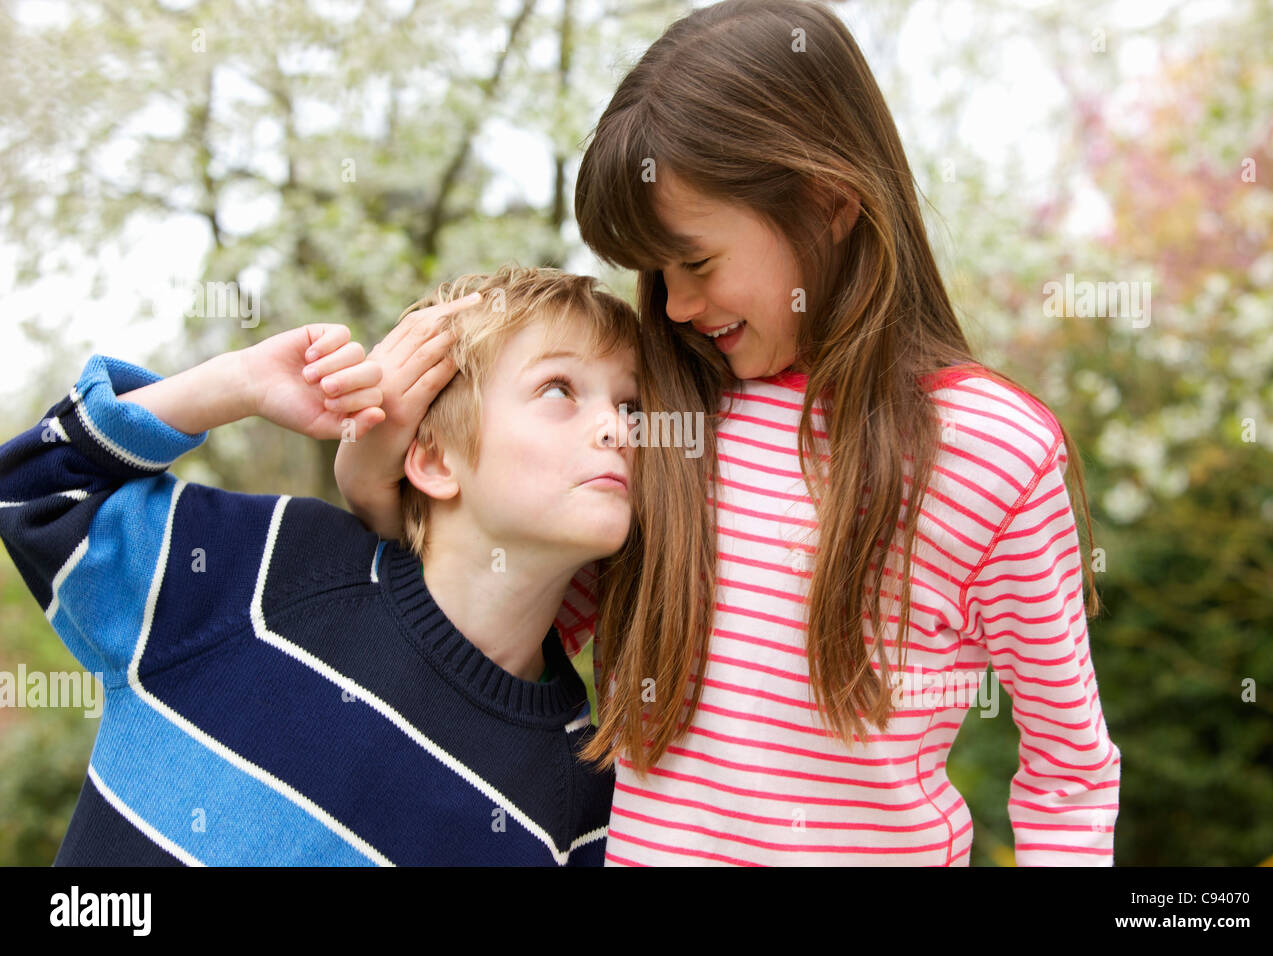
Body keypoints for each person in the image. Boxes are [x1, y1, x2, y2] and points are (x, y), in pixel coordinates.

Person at [339, 0, 1121, 867]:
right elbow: (500, 625)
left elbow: (1069, 768)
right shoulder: (666, 423)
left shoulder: (993, 452)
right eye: (658, 273)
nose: (673, 306)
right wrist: (377, 484)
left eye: (698, 262)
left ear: (829, 204)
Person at [0, 264, 635, 866]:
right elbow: (37, 488)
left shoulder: (582, 806)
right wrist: (240, 382)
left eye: (631, 407)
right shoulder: (267, 574)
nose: (617, 428)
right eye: (560, 389)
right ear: (436, 460)